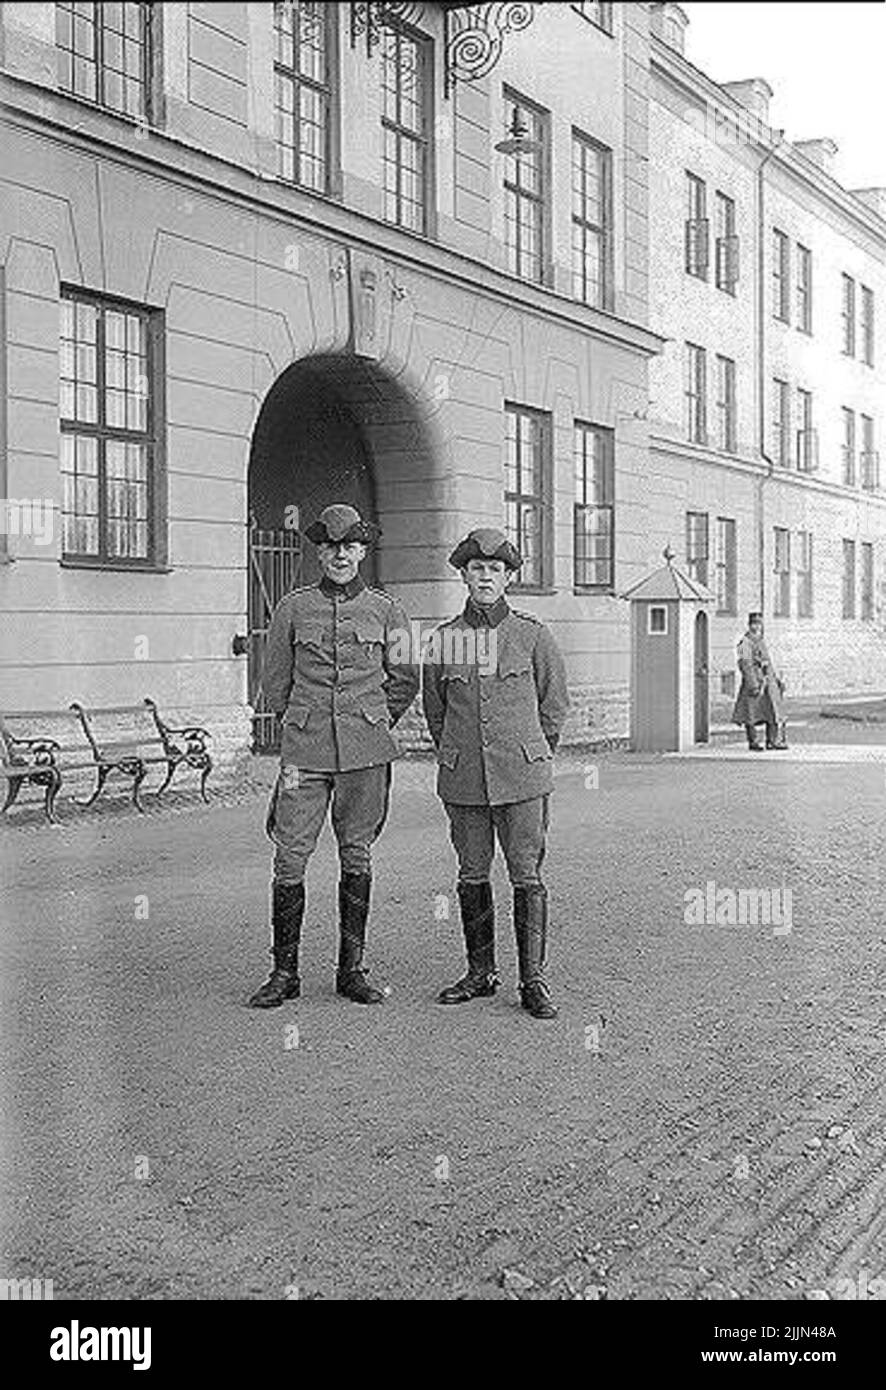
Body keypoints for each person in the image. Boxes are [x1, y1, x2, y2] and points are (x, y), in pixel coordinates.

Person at [248, 504, 419, 1008]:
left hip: (365, 753)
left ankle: (352, 970)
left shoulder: (388, 612)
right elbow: (275, 681)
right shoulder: (292, 609)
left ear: (362, 551)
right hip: (304, 755)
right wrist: (300, 721)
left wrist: (371, 717)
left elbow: (406, 679)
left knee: (357, 852)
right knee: (289, 855)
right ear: (319, 552)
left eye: (350, 546)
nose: (340, 555)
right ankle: (284, 973)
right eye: (330, 547)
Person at [422, 528, 570, 1020]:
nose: (486, 577)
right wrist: (460, 754)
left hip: (523, 779)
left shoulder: (532, 636)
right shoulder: (445, 640)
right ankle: (480, 972)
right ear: (464, 575)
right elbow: (436, 711)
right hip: (465, 779)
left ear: (508, 578)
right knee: (470, 872)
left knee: (526, 875)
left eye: (495, 570)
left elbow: (554, 705)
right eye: (477, 569)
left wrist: (533, 756)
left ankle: (533, 980)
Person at [731, 611, 787, 751]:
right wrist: (753, 684)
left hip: (768, 682)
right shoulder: (745, 643)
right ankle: (753, 741)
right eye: (753, 624)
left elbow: (768, 662)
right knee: (751, 713)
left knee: (772, 712)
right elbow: (745, 664)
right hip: (754, 682)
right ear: (749, 625)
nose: (756, 627)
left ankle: (772, 741)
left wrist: (776, 681)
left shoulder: (761, 640)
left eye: (758, 624)